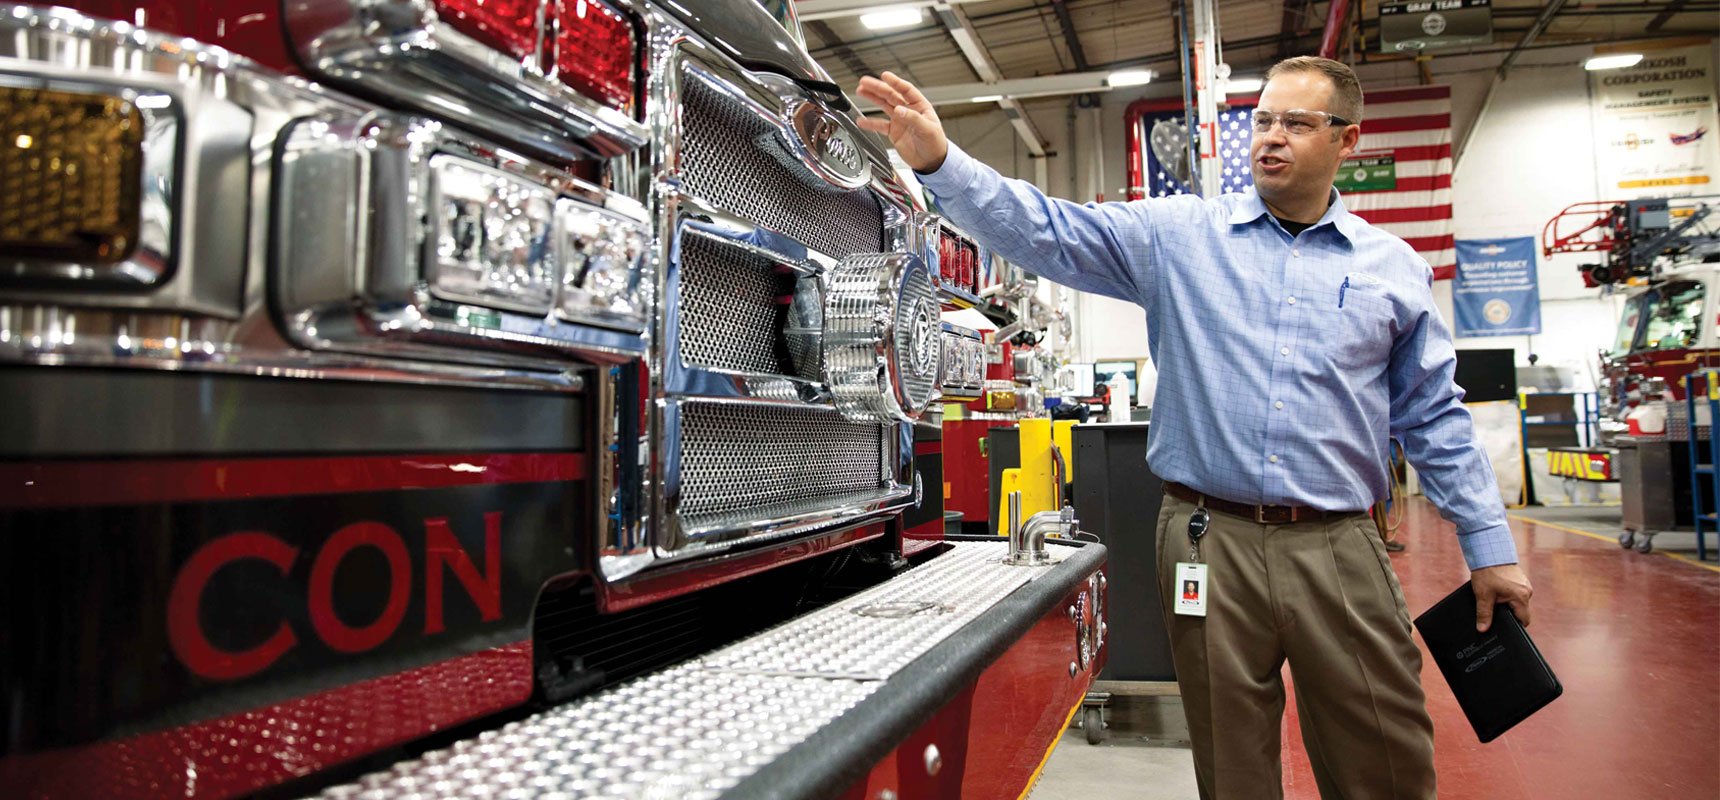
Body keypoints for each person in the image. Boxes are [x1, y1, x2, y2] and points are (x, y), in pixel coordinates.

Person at [858, 57, 1534, 800]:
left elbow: (1434, 416)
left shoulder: (1392, 268)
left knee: (1384, 753)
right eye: (1265, 120)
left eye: (1298, 124)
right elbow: (1049, 230)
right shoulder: (1181, 237)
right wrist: (943, 163)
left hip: (1339, 542)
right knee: (1229, 757)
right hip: (1209, 541)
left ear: (1348, 141)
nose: (1271, 139)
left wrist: (1489, 547)